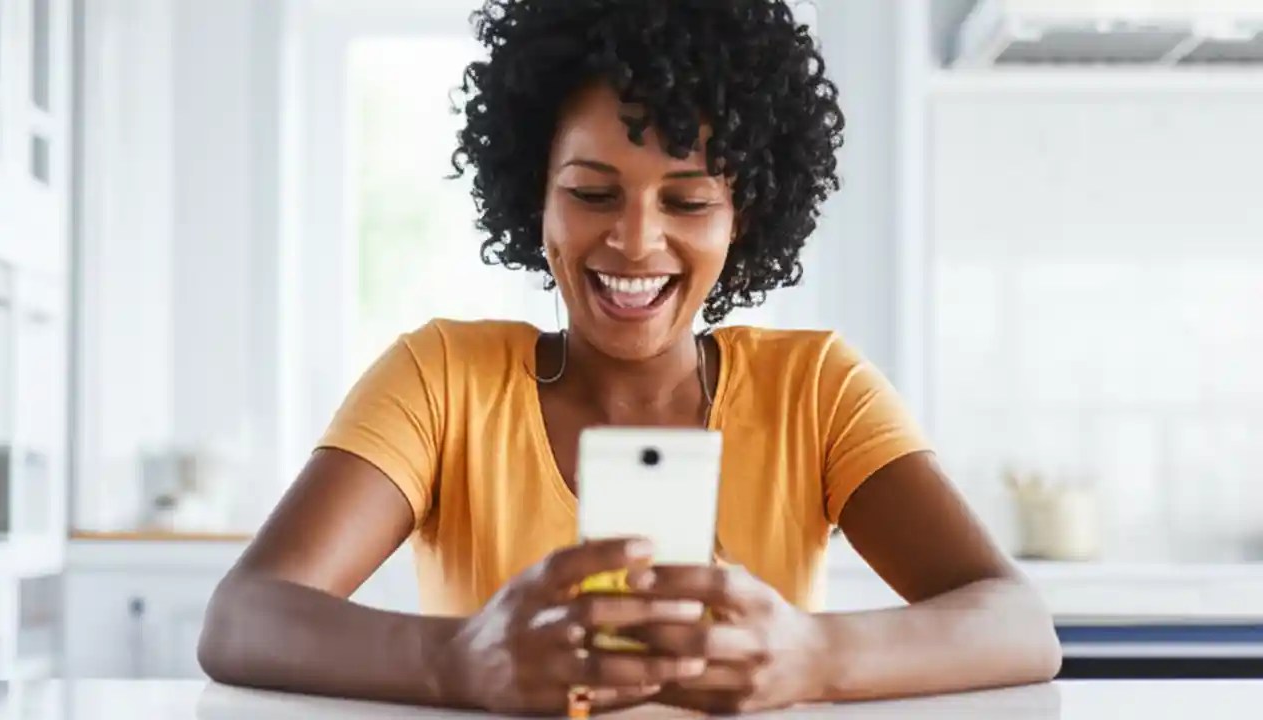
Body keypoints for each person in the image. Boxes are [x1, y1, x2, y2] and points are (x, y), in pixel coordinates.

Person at [198, 0, 1062, 714]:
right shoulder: (441, 381)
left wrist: (815, 655)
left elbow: (1020, 625)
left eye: (687, 202)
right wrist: (458, 659)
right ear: (533, 198)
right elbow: (242, 617)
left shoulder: (818, 391)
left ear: (743, 220)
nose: (635, 239)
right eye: (590, 193)